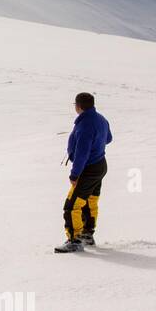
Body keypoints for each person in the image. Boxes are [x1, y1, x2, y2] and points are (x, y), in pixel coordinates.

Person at [55, 92, 112, 253]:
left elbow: (82, 153)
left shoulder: (85, 125)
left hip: (88, 169)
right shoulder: (101, 119)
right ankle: (87, 234)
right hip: (100, 165)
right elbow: (108, 138)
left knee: (72, 205)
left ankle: (75, 240)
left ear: (78, 106)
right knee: (89, 201)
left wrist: (75, 174)